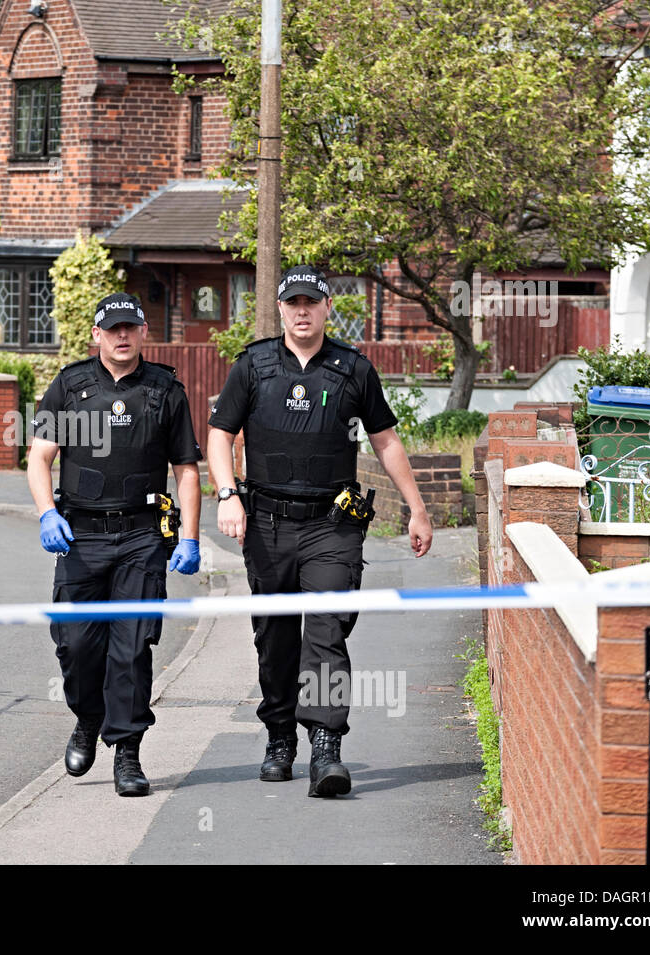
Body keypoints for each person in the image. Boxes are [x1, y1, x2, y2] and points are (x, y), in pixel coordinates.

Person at [207, 265, 433, 797]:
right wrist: (227, 494)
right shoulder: (254, 365)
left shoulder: (353, 370)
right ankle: (280, 735)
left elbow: (386, 442)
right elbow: (219, 435)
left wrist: (418, 509)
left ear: (328, 307)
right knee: (275, 639)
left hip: (333, 527)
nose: (302, 311)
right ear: (281, 309)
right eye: (293, 303)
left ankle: (326, 745)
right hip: (266, 524)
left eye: (312, 302)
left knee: (327, 631)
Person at [27, 292, 202, 797]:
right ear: (97, 335)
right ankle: (87, 718)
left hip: (141, 537)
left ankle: (128, 752)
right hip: (80, 535)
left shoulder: (164, 390)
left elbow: (186, 470)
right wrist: (47, 513)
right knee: (76, 644)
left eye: (130, 327)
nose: (122, 336)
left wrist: (189, 536)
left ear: (143, 331)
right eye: (112, 329)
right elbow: (40, 459)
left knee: (132, 647)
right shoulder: (71, 384)